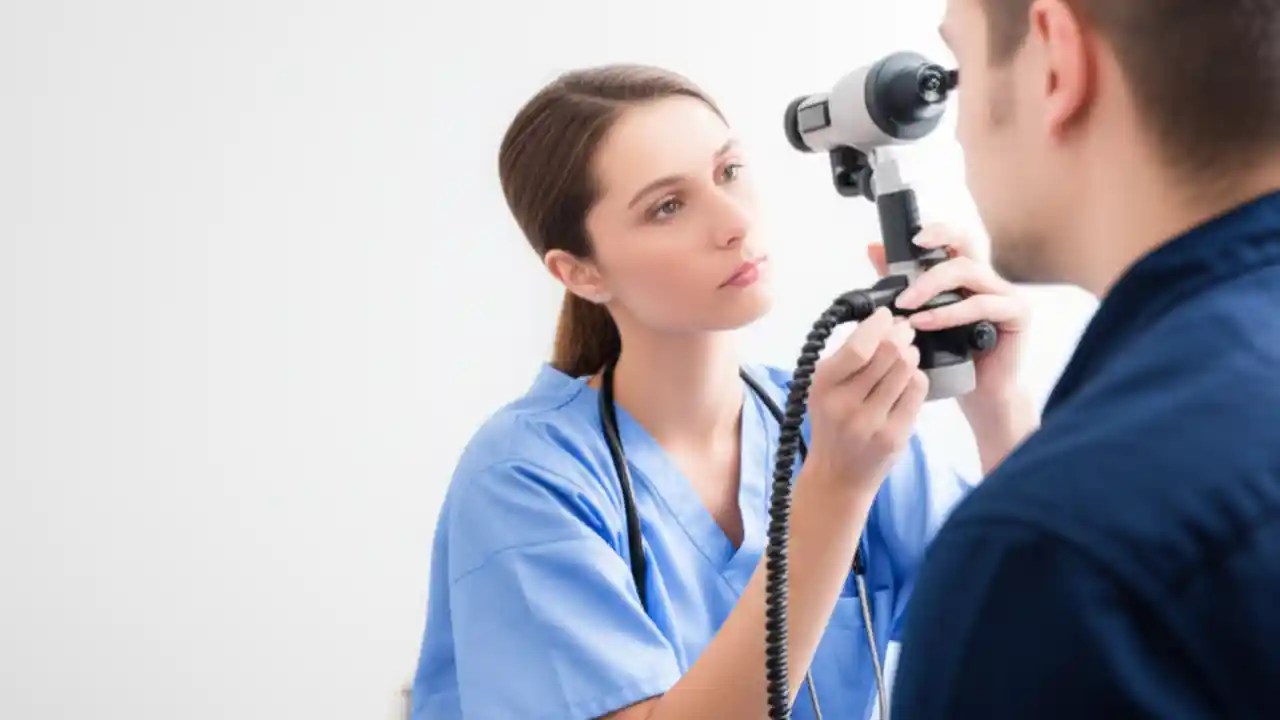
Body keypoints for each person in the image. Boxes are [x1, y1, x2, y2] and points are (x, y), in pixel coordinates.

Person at [410, 63, 1037, 720]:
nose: (734, 221)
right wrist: (834, 491)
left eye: (729, 171)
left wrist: (1001, 410)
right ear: (582, 273)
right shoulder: (523, 476)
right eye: (668, 206)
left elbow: (1044, 631)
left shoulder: (829, 431)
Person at [890, 1, 1280, 718]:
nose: (961, 131)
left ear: (1055, 61)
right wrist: (1008, 423)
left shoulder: (1049, 565)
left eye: (961, 69)